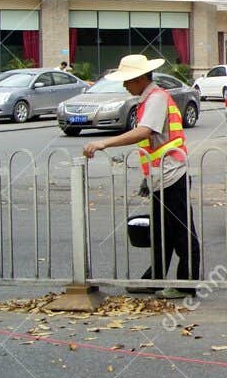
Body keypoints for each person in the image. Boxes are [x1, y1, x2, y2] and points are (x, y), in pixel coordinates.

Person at [81, 54, 200, 298]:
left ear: (140, 78)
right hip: (161, 174)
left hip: (171, 173)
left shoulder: (155, 98)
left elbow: (143, 132)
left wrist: (104, 143)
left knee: (180, 232)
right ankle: (154, 279)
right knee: (161, 232)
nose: (125, 85)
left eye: (127, 80)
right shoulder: (149, 98)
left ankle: (186, 284)